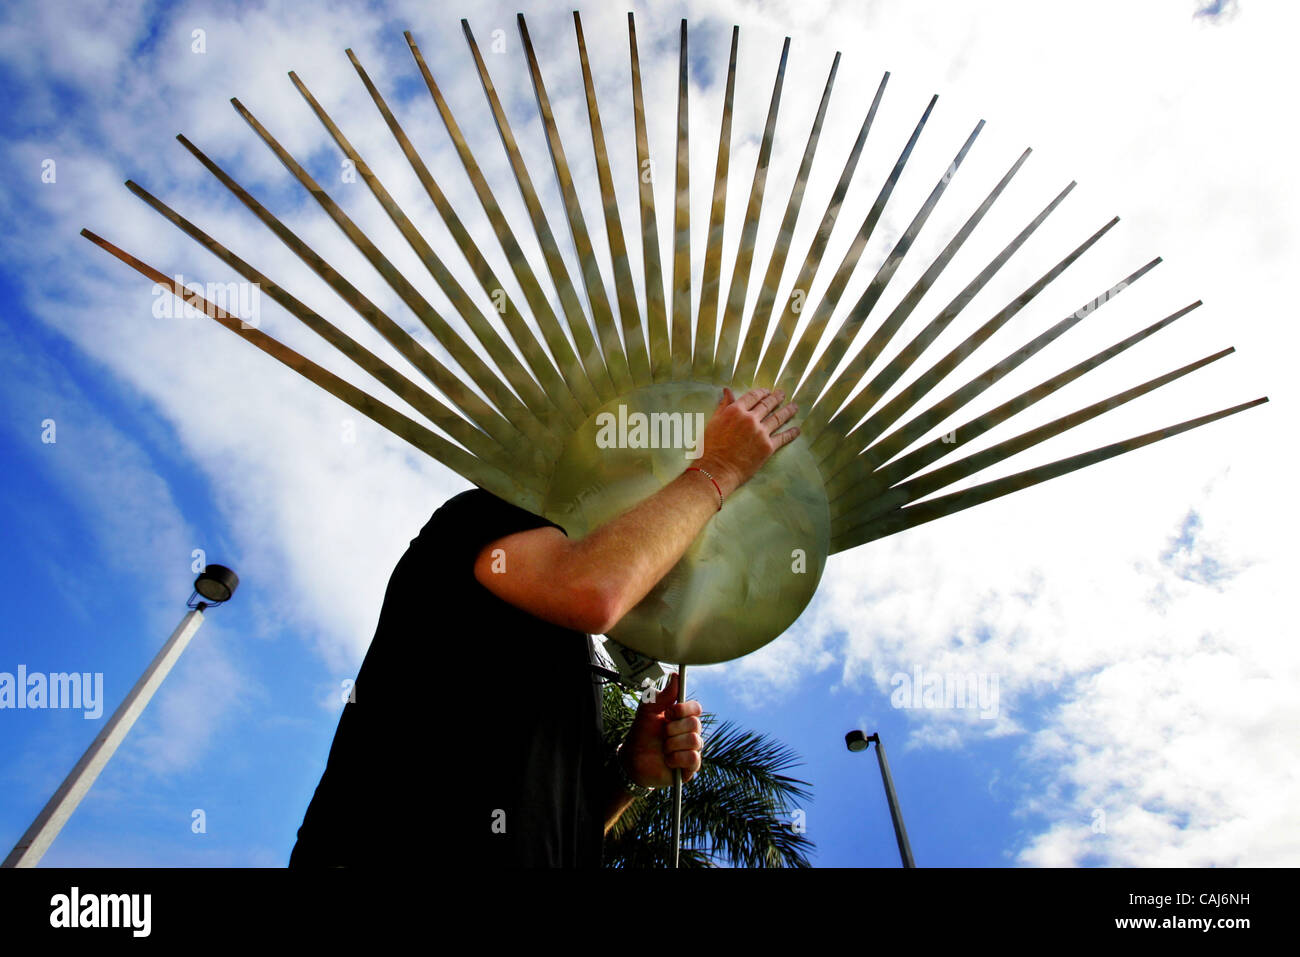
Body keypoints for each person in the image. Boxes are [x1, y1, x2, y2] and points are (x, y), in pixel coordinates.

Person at [288, 386, 800, 867]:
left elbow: (551, 830)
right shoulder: (486, 516)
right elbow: (593, 590)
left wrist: (629, 773)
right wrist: (718, 469)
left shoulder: (563, 647)